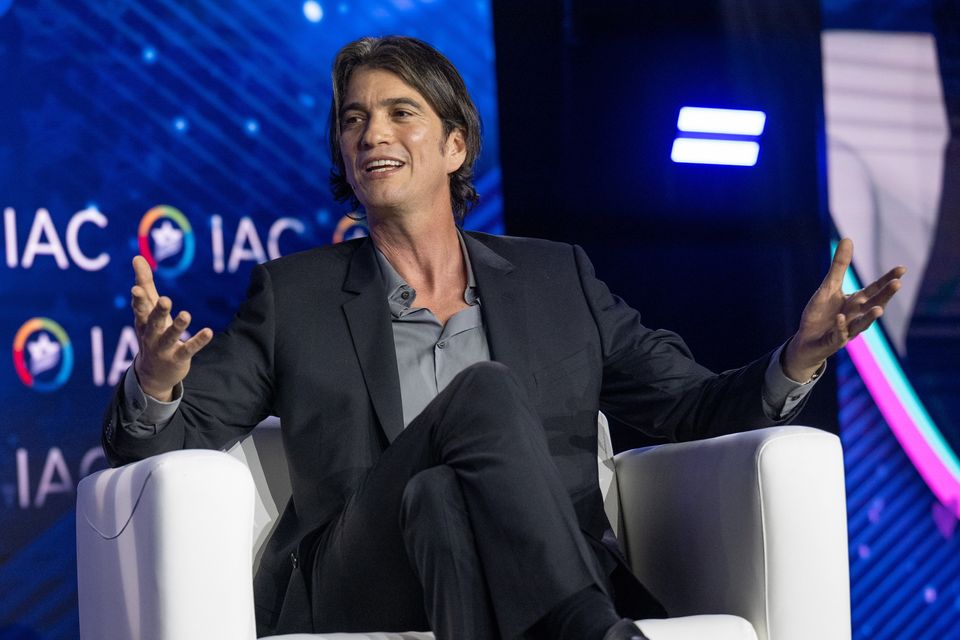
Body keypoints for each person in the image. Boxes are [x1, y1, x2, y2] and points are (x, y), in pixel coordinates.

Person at [101, 36, 905, 640]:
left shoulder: (559, 280)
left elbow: (688, 407)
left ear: (454, 146)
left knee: (442, 498)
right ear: (344, 159)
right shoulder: (294, 295)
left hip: (507, 557)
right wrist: (159, 382)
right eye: (354, 120)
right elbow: (160, 447)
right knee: (479, 395)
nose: (370, 133)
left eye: (398, 112)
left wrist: (796, 359)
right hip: (363, 569)